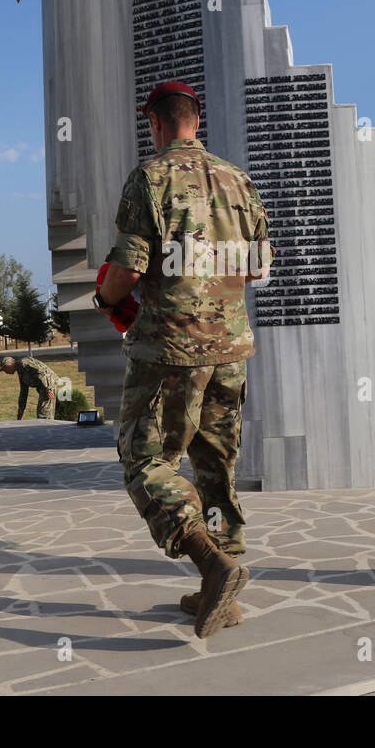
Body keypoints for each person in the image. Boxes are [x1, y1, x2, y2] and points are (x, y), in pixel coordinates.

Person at [95, 80, 271, 637]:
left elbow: (126, 271)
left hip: (170, 350)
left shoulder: (148, 178)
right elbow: (259, 267)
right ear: (197, 120)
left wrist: (108, 298)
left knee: (146, 460)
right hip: (231, 348)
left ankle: (211, 563)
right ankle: (221, 588)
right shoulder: (240, 181)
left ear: (155, 123)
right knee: (215, 466)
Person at [0, 355, 58, 420]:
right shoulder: (20, 371)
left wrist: (49, 389)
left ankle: (47, 428)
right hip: (43, 387)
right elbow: (23, 393)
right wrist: (20, 414)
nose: (6, 372)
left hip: (48, 384)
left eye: (5, 370)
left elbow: (42, 372)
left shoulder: (24, 363)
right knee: (41, 413)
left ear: (9, 365)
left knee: (44, 413)